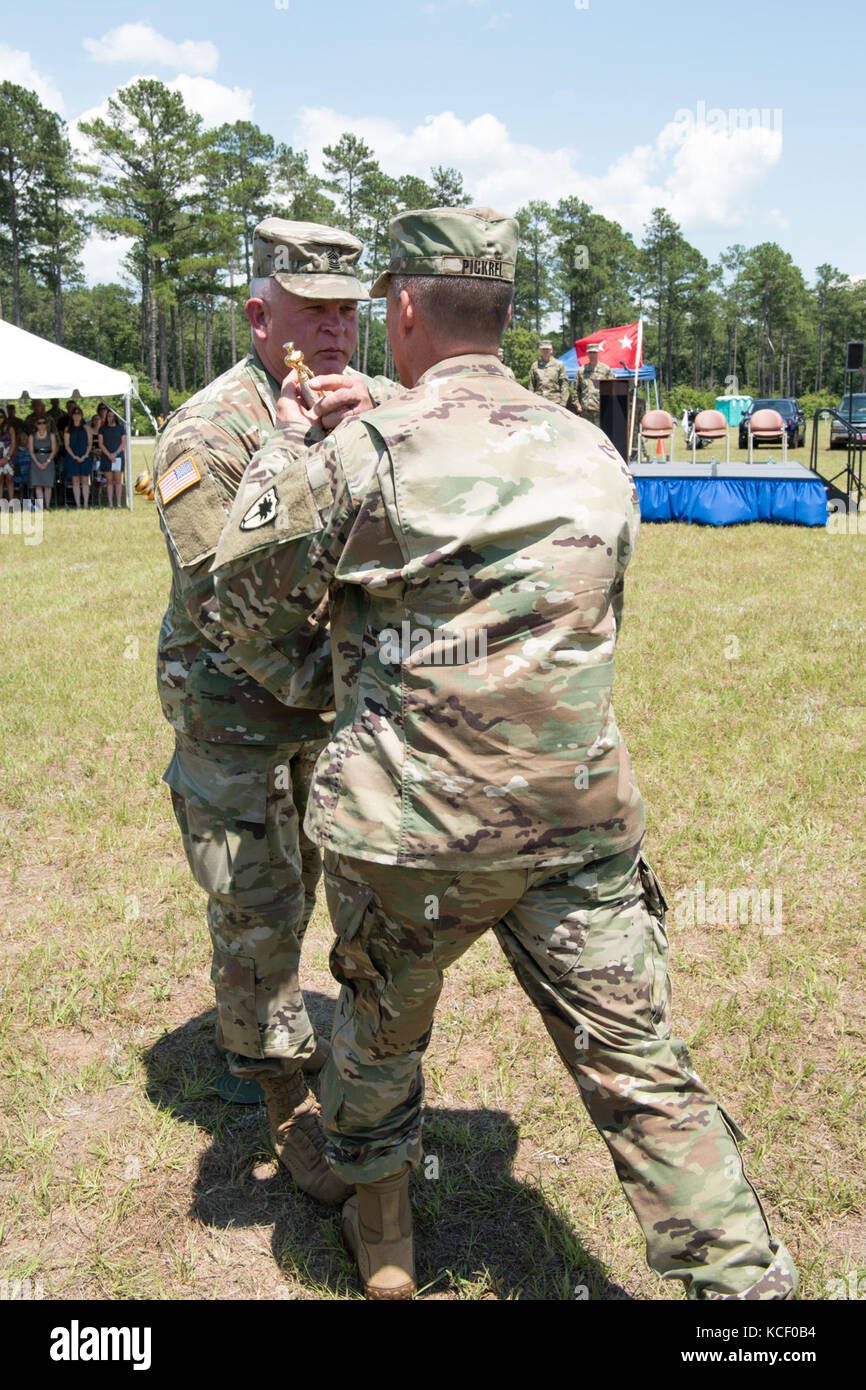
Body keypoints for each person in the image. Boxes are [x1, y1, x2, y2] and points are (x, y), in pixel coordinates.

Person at [213, 205, 799, 1304]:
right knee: (637, 1069)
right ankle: (745, 1297)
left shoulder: (360, 451)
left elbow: (241, 607)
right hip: (571, 827)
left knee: (378, 1034)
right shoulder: (590, 447)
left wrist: (293, 447)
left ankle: (383, 1228)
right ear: (504, 311)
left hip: (411, 835)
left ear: (399, 311)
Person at [153, 217, 402, 1205]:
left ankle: (336, 1061)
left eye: (351, 312)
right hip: (239, 715)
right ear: (260, 315)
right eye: (316, 311)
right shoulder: (207, 434)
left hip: (329, 707)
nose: (339, 332)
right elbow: (226, 611)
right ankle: (282, 1101)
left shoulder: (366, 405)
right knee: (257, 907)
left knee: (346, 891)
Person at [574, 342, 615, 428]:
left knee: (601, 435)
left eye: (594, 353)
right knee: (587, 435)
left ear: (598, 353)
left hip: (600, 410)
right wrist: (577, 405)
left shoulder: (605, 370)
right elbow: (575, 390)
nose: (592, 355)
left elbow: (613, 388)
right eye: (590, 353)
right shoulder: (581, 371)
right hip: (585, 411)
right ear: (587, 354)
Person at [64, 407, 93, 508]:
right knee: (75, 481)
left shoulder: (87, 428)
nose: (77, 415)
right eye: (75, 413)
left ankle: (85, 504)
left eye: (79, 413)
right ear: (72, 416)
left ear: (81, 415)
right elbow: (66, 445)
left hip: (85, 455)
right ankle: (78, 504)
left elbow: (90, 443)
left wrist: (85, 455)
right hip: (72, 456)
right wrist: (74, 456)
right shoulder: (68, 428)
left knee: (85, 480)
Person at [98, 409, 126, 507]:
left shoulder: (121, 428)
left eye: (112, 416)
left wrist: (115, 453)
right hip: (106, 457)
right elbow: (100, 443)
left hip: (118, 457)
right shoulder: (102, 429)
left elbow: (123, 443)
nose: (111, 418)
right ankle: (110, 503)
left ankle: (118, 502)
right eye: (109, 416)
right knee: (109, 480)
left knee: (118, 480)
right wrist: (109, 454)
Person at [529, 340, 570, 406]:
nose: (545, 351)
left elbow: (564, 384)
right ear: (540, 350)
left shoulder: (559, 364)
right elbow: (531, 386)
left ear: (551, 350)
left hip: (555, 401)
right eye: (543, 349)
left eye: (547, 349)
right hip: (539, 401)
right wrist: (531, 401)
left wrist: (563, 402)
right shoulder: (535, 365)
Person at [28, 414, 57, 508]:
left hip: (48, 460)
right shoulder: (32, 436)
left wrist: (47, 461)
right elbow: (31, 451)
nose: (41, 425)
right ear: (36, 425)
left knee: (47, 484)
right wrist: (37, 463)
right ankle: (40, 506)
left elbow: (54, 450)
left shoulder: (51, 435)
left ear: (46, 424)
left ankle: (47, 505)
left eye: (43, 423)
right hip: (36, 460)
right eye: (39, 423)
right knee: (38, 485)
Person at [0, 408, 14, 503]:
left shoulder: (10, 428)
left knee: (9, 479)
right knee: (0, 480)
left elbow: (14, 443)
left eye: (1, 416)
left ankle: (12, 503)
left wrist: (7, 457)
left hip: (9, 455)